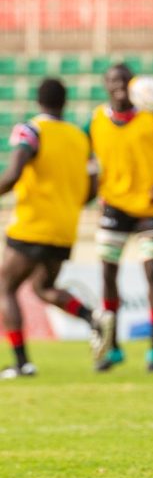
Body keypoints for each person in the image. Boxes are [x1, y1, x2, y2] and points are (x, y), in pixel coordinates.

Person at [0, 78, 115, 378]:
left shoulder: (31, 131)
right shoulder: (80, 138)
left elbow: (13, 174)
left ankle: (22, 363)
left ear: (39, 101)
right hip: (64, 228)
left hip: (32, 224)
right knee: (43, 288)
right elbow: (92, 187)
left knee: (5, 287)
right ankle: (92, 316)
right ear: (65, 102)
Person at [88, 63, 153, 372]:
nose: (119, 84)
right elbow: (88, 159)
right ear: (106, 85)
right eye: (113, 79)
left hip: (151, 208)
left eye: (125, 79)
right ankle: (112, 347)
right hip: (114, 206)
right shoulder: (96, 119)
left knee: (152, 274)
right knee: (107, 275)